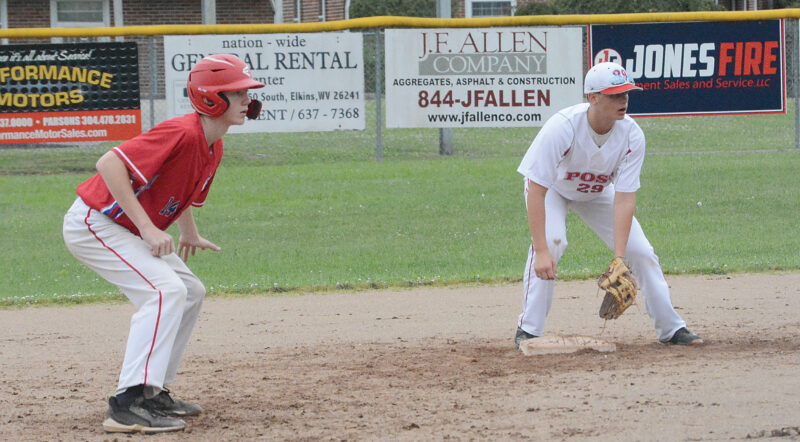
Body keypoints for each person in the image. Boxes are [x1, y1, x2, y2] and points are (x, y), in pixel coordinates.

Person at [62, 54, 265, 433]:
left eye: (246, 93)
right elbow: (108, 164)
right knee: (164, 291)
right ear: (211, 99)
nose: (246, 100)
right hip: (95, 222)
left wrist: (189, 231)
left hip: (122, 227)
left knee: (190, 291)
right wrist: (147, 227)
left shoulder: (213, 144)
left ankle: (152, 391)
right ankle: (127, 404)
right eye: (237, 93)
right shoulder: (183, 132)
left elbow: (180, 190)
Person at [513, 62, 702, 349]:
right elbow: (536, 190)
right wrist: (540, 251)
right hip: (552, 189)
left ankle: (672, 328)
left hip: (596, 192)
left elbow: (624, 198)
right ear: (593, 97)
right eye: (615, 95)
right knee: (552, 243)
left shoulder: (632, 134)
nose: (623, 100)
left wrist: (619, 258)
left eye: (626, 94)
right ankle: (528, 329)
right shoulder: (563, 127)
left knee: (642, 253)